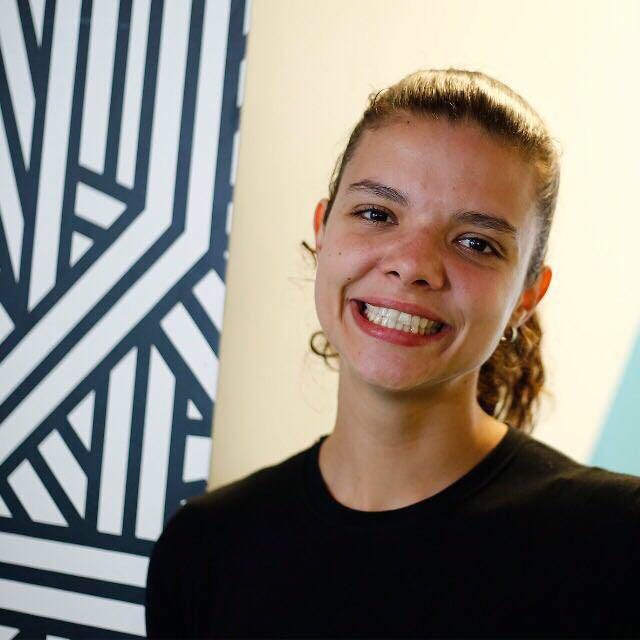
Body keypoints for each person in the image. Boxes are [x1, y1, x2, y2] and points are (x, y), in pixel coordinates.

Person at [145, 69, 640, 639]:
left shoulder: (617, 542)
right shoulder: (205, 549)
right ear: (323, 231)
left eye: (476, 243)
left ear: (527, 297)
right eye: (377, 214)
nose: (413, 264)